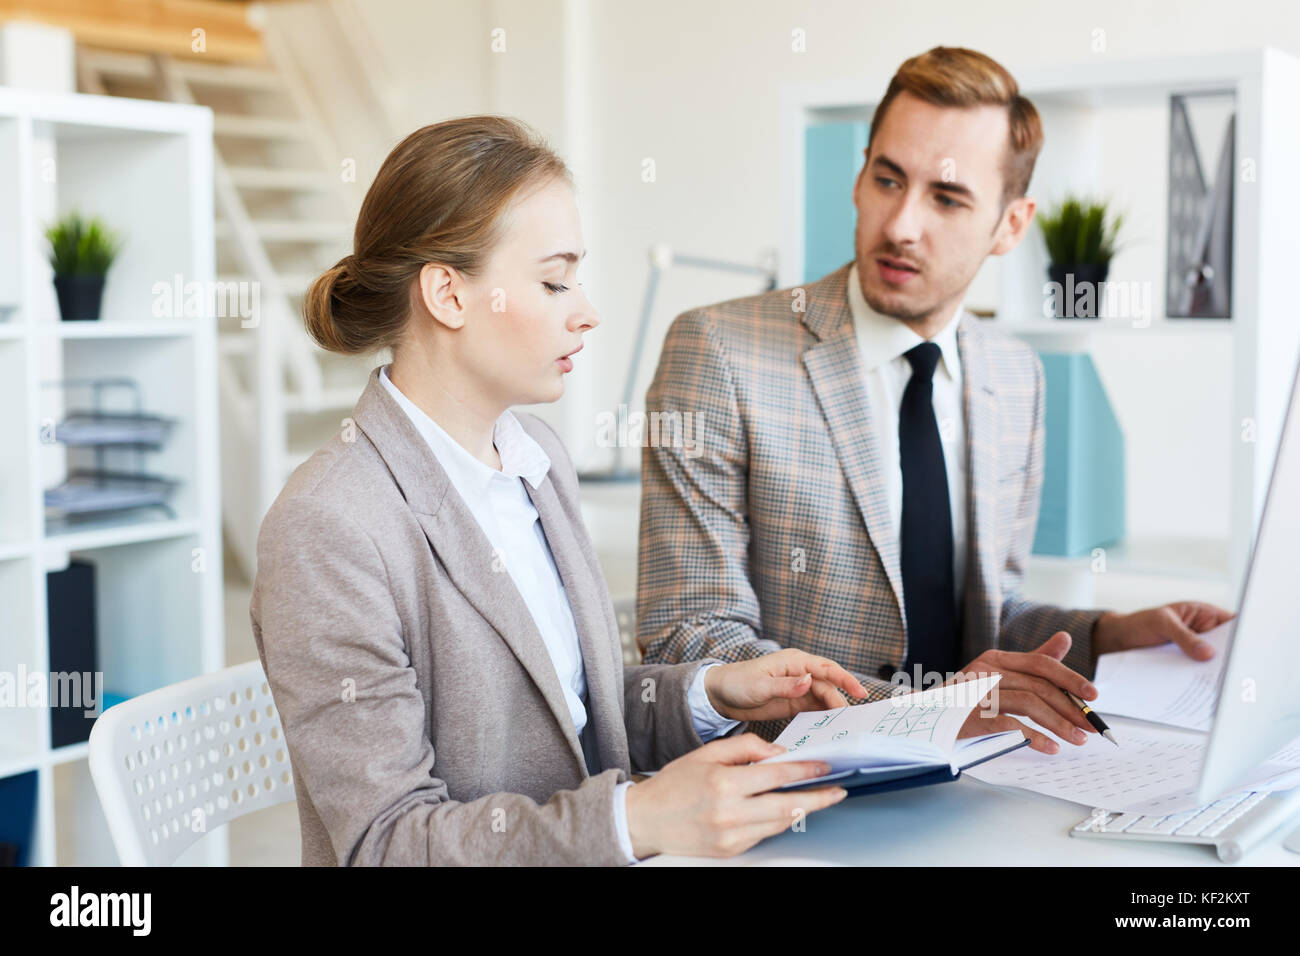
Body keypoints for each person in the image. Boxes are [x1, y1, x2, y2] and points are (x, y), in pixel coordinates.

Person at [249, 116, 871, 866]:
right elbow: (385, 844)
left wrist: (710, 694)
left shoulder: (535, 457)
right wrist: (633, 820)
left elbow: (572, 714)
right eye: (553, 280)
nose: (587, 310)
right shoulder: (329, 526)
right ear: (447, 294)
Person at [636, 46, 1233, 749]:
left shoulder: (1018, 378)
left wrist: (1110, 635)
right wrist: (922, 711)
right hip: (798, 797)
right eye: (888, 179)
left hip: (980, 774)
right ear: (860, 176)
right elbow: (689, 640)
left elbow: (981, 614)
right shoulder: (719, 350)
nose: (901, 225)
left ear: (1011, 225)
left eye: (947, 198)